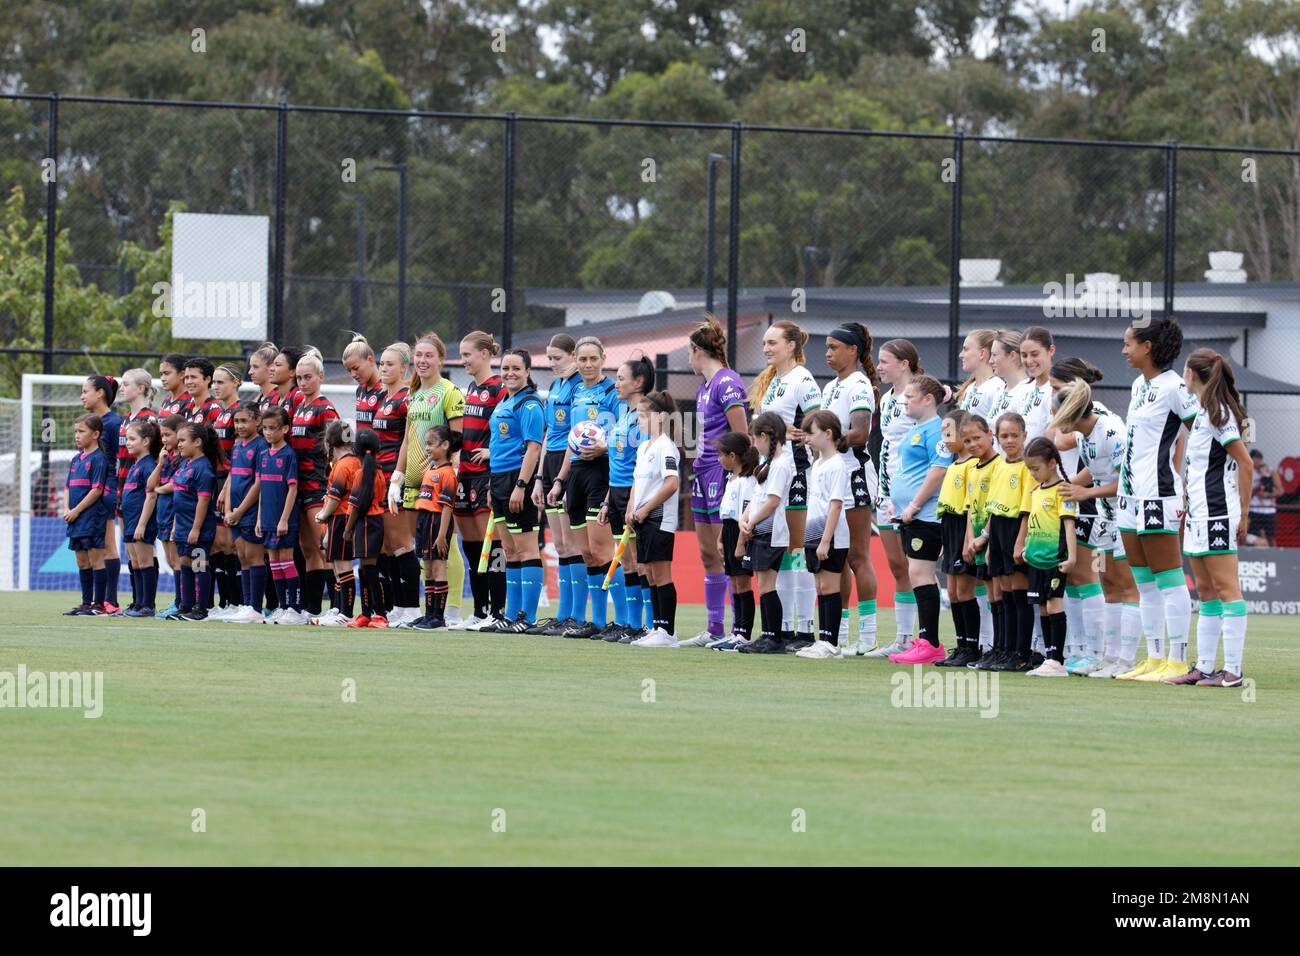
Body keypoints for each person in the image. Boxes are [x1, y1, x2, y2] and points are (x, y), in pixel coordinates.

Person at [1115, 317, 1199, 683]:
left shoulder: (1175, 388)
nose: (1124, 349)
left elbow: (1201, 432)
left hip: (1159, 494)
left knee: (1169, 579)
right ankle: (1154, 657)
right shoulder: (1138, 385)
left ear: (1147, 347)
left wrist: (1188, 479)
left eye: (1128, 343)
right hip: (1129, 496)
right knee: (1144, 583)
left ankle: (1178, 659)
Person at [1170, 349, 1253, 686]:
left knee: (1227, 588)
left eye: (1185, 371)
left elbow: (1245, 463)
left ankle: (1232, 670)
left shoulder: (1220, 413)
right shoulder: (1205, 411)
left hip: (1218, 512)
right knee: (1205, 590)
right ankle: (1204, 667)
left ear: (1192, 373)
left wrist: (1244, 513)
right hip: (1199, 514)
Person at [1049, 376, 1142, 678]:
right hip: (1104, 517)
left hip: (1126, 514)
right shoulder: (1084, 432)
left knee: (1127, 586)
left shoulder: (1111, 432)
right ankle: (1109, 657)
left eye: (1057, 415)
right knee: (1109, 583)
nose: (1054, 422)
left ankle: (1126, 660)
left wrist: (1085, 493)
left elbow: (1126, 481)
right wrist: (1069, 486)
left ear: (1073, 414)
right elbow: (1097, 469)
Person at [752, 320, 822, 648]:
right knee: (783, 549)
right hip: (775, 470)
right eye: (765, 343)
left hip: (797, 470)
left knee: (797, 547)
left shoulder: (802, 378)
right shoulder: (774, 381)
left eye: (773, 343)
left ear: (791, 346)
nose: (766, 348)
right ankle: (780, 630)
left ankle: (805, 630)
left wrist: (802, 433)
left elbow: (820, 425)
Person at [389, 332, 466, 628]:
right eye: (418, 355)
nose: (422, 361)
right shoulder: (414, 394)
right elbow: (408, 439)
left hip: (438, 484)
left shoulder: (450, 392)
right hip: (413, 483)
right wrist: (397, 476)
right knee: (423, 548)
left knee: (447, 544)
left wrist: (452, 475)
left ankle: (453, 610)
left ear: (441, 360)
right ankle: (430, 609)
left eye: (428, 356)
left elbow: (457, 439)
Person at [547, 336, 620, 639]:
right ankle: (596, 622)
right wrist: (560, 481)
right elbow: (570, 441)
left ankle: (623, 622)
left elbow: (622, 438)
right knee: (586, 552)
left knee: (602, 550)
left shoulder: (612, 392)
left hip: (600, 473)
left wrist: (603, 449)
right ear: (575, 359)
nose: (588, 365)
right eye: (583, 359)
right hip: (575, 473)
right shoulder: (576, 391)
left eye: (594, 359)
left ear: (603, 358)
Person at [685, 317, 749, 645]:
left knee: (727, 550)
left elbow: (742, 436)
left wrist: (737, 476)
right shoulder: (704, 388)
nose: (688, 359)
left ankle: (739, 630)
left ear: (698, 351)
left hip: (722, 474)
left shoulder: (727, 383)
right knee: (707, 551)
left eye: (689, 352)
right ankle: (714, 628)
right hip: (702, 472)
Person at [821, 323, 880, 656]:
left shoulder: (859, 384)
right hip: (830, 476)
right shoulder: (831, 386)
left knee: (858, 556)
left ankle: (868, 634)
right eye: (827, 348)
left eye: (834, 348)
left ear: (853, 350)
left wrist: (827, 440)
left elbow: (860, 432)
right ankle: (839, 633)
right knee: (837, 557)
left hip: (854, 472)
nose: (827, 353)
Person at [887, 375, 953, 665]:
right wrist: (896, 503)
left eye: (910, 397)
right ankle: (926, 640)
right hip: (910, 516)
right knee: (917, 574)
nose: (905, 401)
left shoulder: (936, 429)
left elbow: (939, 470)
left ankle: (930, 643)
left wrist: (913, 504)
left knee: (922, 574)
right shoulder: (917, 429)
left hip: (927, 515)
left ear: (928, 400)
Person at [485, 350, 547, 632]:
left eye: (516, 368)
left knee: (525, 548)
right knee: (509, 550)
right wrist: (491, 483)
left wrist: (521, 486)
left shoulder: (531, 405)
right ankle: (511, 615)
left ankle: (528, 618)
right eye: (505, 367)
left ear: (528, 371)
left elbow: (534, 447)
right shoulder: (504, 400)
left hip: (515, 480)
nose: (509, 373)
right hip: (498, 479)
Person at [596, 356, 654, 642]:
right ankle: (631, 625)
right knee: (627, 563)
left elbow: (643, 465)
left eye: (621, 378)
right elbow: (617, 463)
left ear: (638, 382)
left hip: (635, 494)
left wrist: (634, 501)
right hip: (617, 493)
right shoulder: (622, 414)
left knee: (642, 563)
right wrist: (608, 500)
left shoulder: (645, 416)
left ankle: (653, 625)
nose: (616, 383)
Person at [870, 339, 920, 657]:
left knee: (917, 567)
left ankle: (924, 638)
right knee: (896, 565)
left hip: (913, 491)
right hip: (886, 490)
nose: (879, 367)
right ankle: (902, 638)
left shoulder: (918, 395)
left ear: (904, 364)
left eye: (885, 361)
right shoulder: (886, 399)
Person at [531, 334, 584, 635]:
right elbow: (549, 433)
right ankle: (563, 613)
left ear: (572, 355)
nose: (552, 364)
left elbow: (573, 437)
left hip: (569, 466)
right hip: (550, 464)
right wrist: (540, 478)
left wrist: (561, 478)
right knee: (561, 544)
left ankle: (576, 614)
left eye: (558, 358)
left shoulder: (579, 386)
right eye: (549, 358)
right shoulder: (555, 386)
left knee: (573, 544)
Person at [457, 331, 508, 626]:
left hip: (485, 476)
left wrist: (492, 451)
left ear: (485, 355)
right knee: (472, 546)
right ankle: (478, 610)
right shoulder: (471, 390)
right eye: (462, 355)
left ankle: (497, 612)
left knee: (494, 546)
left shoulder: (499, 389)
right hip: (464, 474)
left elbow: (511, 430)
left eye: (467, 355)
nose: (464, 360)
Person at [977, 413, 1034, 672]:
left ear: (1024, 436)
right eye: (1004, 436)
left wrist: (1020, 541)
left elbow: (1026, 509)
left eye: (1014, 435)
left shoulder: (1028, 467)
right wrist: (987, 539)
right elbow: (993, 506)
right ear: (996, 437)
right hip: (998, 528)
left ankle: (1020, 653)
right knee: (1002, 594)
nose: (1009, 440)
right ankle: (1002, 649)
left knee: (1018, 594)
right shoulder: (1000, 465)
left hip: (1016, 529)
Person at [794, 410, 853, 660]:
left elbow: (836, 505)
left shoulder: (838, 465)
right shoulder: (818, 464)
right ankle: (824, 639)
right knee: (820, 586)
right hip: (814, 533)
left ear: (828, 434)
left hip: (832, 537)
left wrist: (826, 540)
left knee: (830, 587)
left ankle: (832, 643)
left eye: (812, 433)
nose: (807, 437)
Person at [1017, 437, 1078, 675]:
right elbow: (1034, 522)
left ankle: (1057, 659)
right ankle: (1048, 656)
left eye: (1036, 468)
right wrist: (1026, 549)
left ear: (1052, 463)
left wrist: (1071, 557)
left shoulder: (1062, 490)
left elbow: (1068, 525)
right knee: (1042, 606)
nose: (1032, 473)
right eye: (1029, 469)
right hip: (1036, 559)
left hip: (1055, 558)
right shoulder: (1036, 491)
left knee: (1054, 605)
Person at [738, 412, 796, 654]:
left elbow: (772, 502)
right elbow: (758, 497)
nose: (754, 444)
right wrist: (745, 517)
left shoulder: (783, 463)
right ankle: (768, 635)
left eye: (755, 438)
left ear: (765, 436)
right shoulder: (769, 462)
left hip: (771, 532)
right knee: (764, 585)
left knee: (767, 586)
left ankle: (774, 638)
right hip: (759, 529)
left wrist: (751, 522)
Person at [628, 391, 682, 647]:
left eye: (643, 416)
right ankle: (656, 626)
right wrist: (631, 508)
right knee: (648, 573)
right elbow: (637, 483)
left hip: (658, 519)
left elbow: (672, 483)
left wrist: (647, 509)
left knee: (661, 574)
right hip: (641, 519)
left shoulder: (666, 446)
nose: (638, 421)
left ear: (660, 417)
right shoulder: (643, 447)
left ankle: (667, 631)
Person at [290, 348, 339, 618]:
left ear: (320, 376)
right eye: (298, 378)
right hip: (299, 486)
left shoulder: (325, 409)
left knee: (325, 549)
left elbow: (336, 446)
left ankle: (336, 607)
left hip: (317, 486)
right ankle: (311, 609)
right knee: (308, 549)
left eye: (307, 377)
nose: (302, 383)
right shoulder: (299, 406)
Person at [164, 422, 224, 621]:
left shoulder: (203, 467)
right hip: (181, 527)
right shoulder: (184, 465)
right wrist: (175, 526)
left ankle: (200, 608)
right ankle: (185, 605)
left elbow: (203, 500)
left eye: (182, 440)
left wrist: (196, 528)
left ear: (197, 442)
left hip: (197, 529)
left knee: (199, 565)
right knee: (184, 563)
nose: (178, 444)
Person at [935, 409, 980, 667]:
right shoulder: (953, 464)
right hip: (950, 527)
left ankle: (971, 646)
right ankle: (961, 644)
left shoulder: (972, 465)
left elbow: (970, 506)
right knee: (952, 592)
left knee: (964, 591)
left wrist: (966, 538)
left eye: (949, 432)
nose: (946, 438)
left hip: (964, 527)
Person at [372, 342, 412, 623]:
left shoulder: (406, 398)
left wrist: (398, 476)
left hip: (396, 479)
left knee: (401, 543)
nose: (384, 369)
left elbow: (409, 441)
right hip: (379, 479)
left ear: (403, 368)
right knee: (387, 545)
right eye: (381, 364)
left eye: (389, 364)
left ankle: (410, 606)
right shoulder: (383, 398)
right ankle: (395, 606)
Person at [220, 401, 270, 624]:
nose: (239, 426)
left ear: (257, 421)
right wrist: (229, 510)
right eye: (236, 421)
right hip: (235, 512)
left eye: (244, 421)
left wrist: (240, 511)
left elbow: (258, 483)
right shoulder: (237, 445)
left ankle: (256, 608)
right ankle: (247, 604)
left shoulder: (260, 446)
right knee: (242, 557)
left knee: (254, 556)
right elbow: (232, 479)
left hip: (249, 512)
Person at [709, 433, 759, 650]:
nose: (719, 460)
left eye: (721, 455)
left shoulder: (748, 481)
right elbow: (727, 513)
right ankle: (736, 630)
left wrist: (741, 543)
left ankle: (744, 634)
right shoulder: (731, 479)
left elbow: (744, 515)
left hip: (741, 534)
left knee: (743, 582)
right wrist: (721, 538)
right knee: (734, 582)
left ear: (733, 456)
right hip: (728, 531)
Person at [257, 406, 307, 624]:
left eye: (273, 428)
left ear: (285, 429)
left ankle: (295, 609)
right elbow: (261, 489)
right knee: (274, 562)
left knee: (286, 560)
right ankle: (282, 606)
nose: (268, 433)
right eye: (265, 428)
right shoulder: (263, 455)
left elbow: (293, 489)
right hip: (267, 518)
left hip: (283, 519)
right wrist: (259, 518)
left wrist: (285, 518)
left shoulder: (288, 455)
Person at [115, 368, 157, 614]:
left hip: (141, 488)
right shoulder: (124, 418)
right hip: (124, 489)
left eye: (127, 383)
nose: (122, 387)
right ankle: (136, 601)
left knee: (143, 548)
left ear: (141, 388)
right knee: (131, 549)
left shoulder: (149, 419)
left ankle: (146, 603)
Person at [313, 420, 364, 625]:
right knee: (336, 565)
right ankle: (338, 608)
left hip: (341, 518)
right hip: (345, 518)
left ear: (329, 443)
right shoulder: (355, 461)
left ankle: (346, 613)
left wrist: (323, 515)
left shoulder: (342, 466)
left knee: (342, 566)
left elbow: (335, 499)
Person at [961, 415, 1002, 667]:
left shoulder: (999, 465)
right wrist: (969, 539)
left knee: (1000, 594)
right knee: (989, 593)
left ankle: (1001, 647)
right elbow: (969, 507)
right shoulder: (972, 468)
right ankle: (992, 647)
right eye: (967, 440)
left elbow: (998, 505)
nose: (973, 444)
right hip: (976, 539)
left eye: (977, 438)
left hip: (992, 537)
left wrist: (984, 535)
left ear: (989, 434)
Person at [80, 375, 123, 613]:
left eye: (85, 390)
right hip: (90, 491)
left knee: (108, 545)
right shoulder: (92, 422)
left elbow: (118, 459)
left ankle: (110, 601)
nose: (82, 395)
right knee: (94, 547)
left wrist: (112, 489)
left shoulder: (113, 423)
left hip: (105, 490)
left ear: (100, 393)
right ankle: (94, 601)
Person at [62, 414, 110, 615]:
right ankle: (86, 602)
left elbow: (97, 490)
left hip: (91, 516)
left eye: (81, 431)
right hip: (74, 517)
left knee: (95, 559)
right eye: (76, 431)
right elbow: (67, 487)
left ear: (95, 434)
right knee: (81, 560)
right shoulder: (75, 459)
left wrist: (76, 510)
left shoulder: (99, 459)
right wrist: (66, 509)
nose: (77, 435)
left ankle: (99, 605)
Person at [413, 426, 460, 631]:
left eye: (431, 444)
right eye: (426, 444)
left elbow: (447, 508)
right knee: (428, 568)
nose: (427, 448)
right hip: (424, 520)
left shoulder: (447, 474)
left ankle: (438, 619)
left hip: (437, 521)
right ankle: (428, 614)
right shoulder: (431, 469)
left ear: (445, 445)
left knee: (439, 566)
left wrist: (442, 535)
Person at [206, 363, 244, 616]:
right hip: (216, 480)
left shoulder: (239, 412)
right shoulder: (218, 414)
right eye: (214, 383)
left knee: (232, 545)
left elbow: (240, 456)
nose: (215, 387)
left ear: (236, 383)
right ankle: (225, 603)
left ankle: (237, 602)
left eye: (221, 382)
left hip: (231, 481)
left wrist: (227, 486)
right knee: (218, 545)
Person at [144, 416, 184, 619]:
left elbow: (175, 484)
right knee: (169, 560)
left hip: (175, 512)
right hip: (163, 513)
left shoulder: (184, 458)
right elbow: (150, 485)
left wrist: (159, 489)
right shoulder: (165, 457)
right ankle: (178, 601)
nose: (165, 439)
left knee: (178, 561)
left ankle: (181, 602)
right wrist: (160, 464)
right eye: (162, 435)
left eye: (168, 435)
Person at [956, 330, 1005, 422]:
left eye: (965, 349)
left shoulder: (996, 387)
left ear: (982, 354)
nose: (960, 355)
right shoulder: (970, 387)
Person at [1248, 450, 1277, 546]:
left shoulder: (1270, 471)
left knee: (1271, 537)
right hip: (1254, 509)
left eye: (1258, 461)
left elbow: (1281, 491)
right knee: (1253, 535)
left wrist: (1267, 495)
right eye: (1254, 461)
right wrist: (1257, 489)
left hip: (1269, 510)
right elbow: (1247, 493)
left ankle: (1276, 557)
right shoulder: (1249, 471)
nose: (1256, 463)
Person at [158, 353, 194, 418]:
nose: (162, 378)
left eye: (166, 373)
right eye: (161, 374)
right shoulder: (167, 400)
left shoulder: (191, 401)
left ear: (182, 374)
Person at [248, 343, 280, 411]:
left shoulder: (279, 399)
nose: (250, 372)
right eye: (250, 367)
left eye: (255, 367)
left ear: (271, 367)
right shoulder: (258, 400)